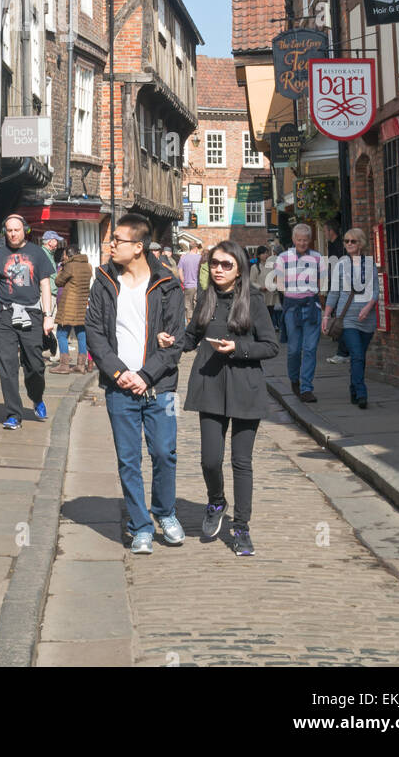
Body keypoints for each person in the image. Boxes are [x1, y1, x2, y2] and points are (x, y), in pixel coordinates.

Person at [158, 240, 277, 556]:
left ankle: (241, 528)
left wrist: (238, 349)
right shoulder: (206, 298)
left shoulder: (253, 299)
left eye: (227, 265)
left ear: (239, 270)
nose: (219, 269)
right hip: (210, 382)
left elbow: (271, 346)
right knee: (210, 459)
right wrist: (173, 340)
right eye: (215, 264)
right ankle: (216, 500)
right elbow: (192, 338)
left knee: (242, 461)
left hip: (245, 385)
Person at [85, 213, 185, 554]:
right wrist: (119, 373)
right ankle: (141, 526)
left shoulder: (168, 284)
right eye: (112, 241)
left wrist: (145, 375)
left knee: (164, 453)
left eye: (118, 240)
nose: (111, 245)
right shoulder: (103, 281)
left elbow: (177, 341)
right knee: (128, 459)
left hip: (162, 388)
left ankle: (165, 513)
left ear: (138, 247)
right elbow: (95, 333)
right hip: (119, 389)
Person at [0, 216, 55, 430]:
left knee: (35, 365)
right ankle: (13, 414)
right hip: (4, 316)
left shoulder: (37, 253)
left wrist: (48, 315)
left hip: (31, 314)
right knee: (7, 366)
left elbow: (45, 285)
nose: (12, 234)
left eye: (16, 230)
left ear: (25, 230)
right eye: (9, 230)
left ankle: (36, 397)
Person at [322, 228, 378, 408]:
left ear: (360, 243)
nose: (349, 244)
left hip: (367, 319)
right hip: (347, 319)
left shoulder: (369, 265)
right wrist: (326, 315)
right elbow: (334, 292)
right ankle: (362, 394)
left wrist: (368, 307)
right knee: (357, 355)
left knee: (359, 357)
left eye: (353, 241)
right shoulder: (341, 265)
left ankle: (354, 388)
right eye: (346, 241)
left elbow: (376, 291)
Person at [274, 223, 327, 403]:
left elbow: (323, 281)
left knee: (310, 349)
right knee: (294, 350)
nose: (302, 243)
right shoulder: (283, 258)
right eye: (299, 240)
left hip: (312, 307)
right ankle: (294, 379)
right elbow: (279, 282)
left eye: (305, 240)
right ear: (294, 239)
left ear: (310, 240)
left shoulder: (318, 258)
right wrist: (290, 294)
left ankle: (306, 388)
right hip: (292, 308)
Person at [51, 242, 92, 374]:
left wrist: (62, 267)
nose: (63, 257)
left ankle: (64, 365)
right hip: (82, 305)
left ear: (68, 254)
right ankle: (81, 364)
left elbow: (58, 281)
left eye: (64, 254)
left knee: (61, 334)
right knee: (81, 333)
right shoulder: (87, 266)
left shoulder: (69, 266)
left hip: (69, 305)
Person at [323, 219, 350, 365]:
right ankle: (343, 351)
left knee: (342, 321)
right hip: (335, 287)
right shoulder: (332, 245)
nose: (325, 234)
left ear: (330, 231)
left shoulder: (339, 246)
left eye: (325, 231)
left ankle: (343, 352)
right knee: (342, 321)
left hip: (341, 288)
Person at [41, 230, 63, 364]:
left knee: (52, 325)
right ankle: (54, 352)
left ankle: (56, 353)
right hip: (47, 294)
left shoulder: (48, 254)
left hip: (51, 293)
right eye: (56, 240)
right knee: (48, 324)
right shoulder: (44, 254)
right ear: (50, 241)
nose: (58, 243)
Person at [177, 242, 202, 322]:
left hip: (188, 285)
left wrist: (184, 281)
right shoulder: (200, 258)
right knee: (197, 305)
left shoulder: (183, 258)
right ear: (195, 248)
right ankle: (197, 323)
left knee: (188, 306)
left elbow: (180, 271)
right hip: (198, 285)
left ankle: (189, 324)